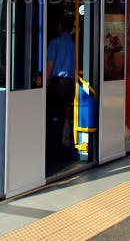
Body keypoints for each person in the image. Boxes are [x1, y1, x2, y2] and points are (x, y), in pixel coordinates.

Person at [46, 19, 76, 160]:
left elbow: (50, 65)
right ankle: (64, 146)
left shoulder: (55, 42)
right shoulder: (72, 43)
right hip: (69, 84)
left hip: (57, 84)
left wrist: (44, 82)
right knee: (64, 116)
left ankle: (53, 149)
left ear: (60, 25)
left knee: (53, 118)